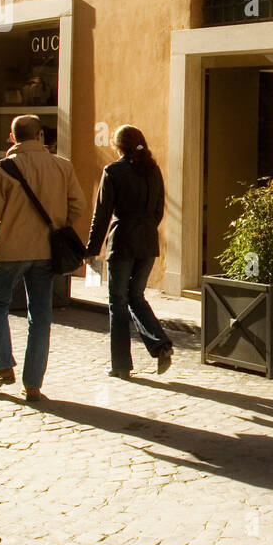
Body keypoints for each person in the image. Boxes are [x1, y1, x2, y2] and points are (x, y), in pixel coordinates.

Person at [0, 115, 86, 402]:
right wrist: (59, 225)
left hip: (10, 250)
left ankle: (4, 366)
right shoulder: (62, 166)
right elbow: (79, 207)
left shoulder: (3, 169)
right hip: (47, 251)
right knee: (41, 315)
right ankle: (33, 384)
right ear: (41, 136)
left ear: (12, 138)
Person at [85, 125, 172, 379]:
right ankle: (160, 344)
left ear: (118, 146)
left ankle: (121, 365)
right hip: (147, 242)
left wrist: (92, 248)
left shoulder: (113, 171)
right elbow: (158, 209)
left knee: (118, 302)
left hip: (122, 241)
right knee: (136, 295)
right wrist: (145, 229)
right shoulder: (152, 170)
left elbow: (101, 214)